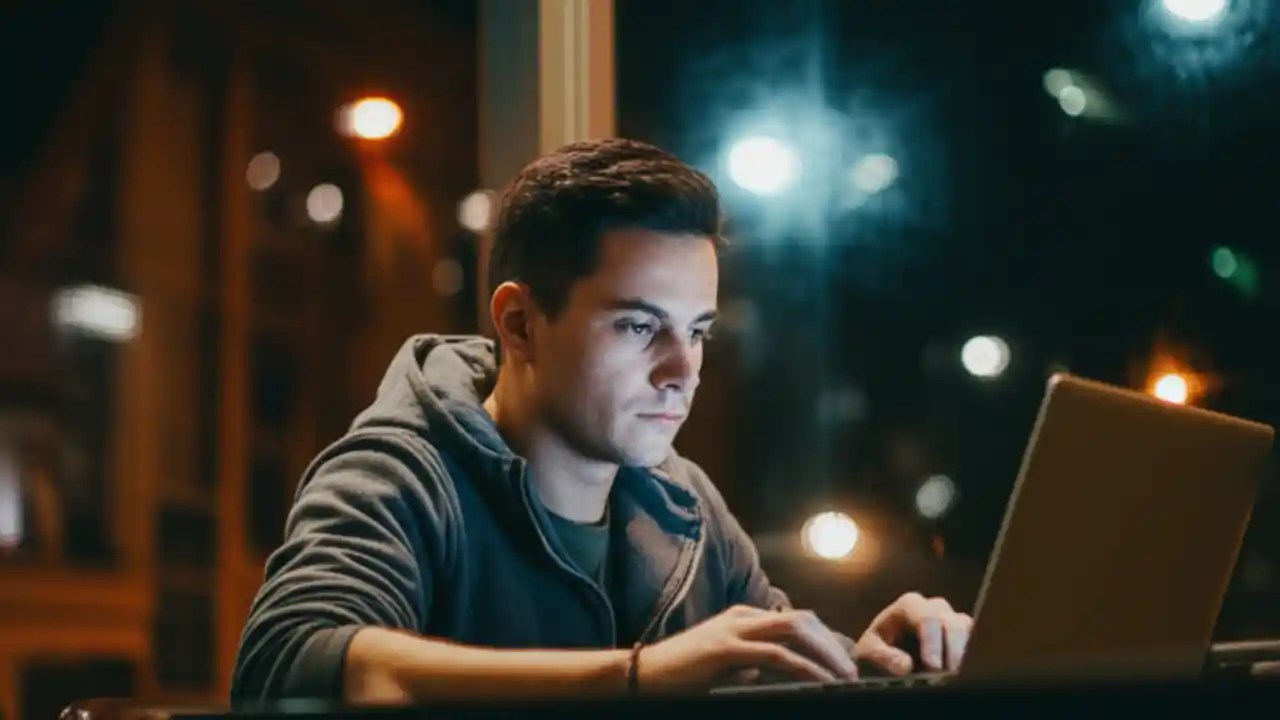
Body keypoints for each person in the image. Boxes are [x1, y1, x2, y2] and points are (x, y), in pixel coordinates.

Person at [232, 138, 972, 705]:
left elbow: (769, 662)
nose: (683, 370)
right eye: (639, 328)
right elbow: (289, 664)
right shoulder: (398, 476)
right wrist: (637, 678)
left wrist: (873, 672)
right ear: (520, 324)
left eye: (699, 331)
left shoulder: (684, 505)